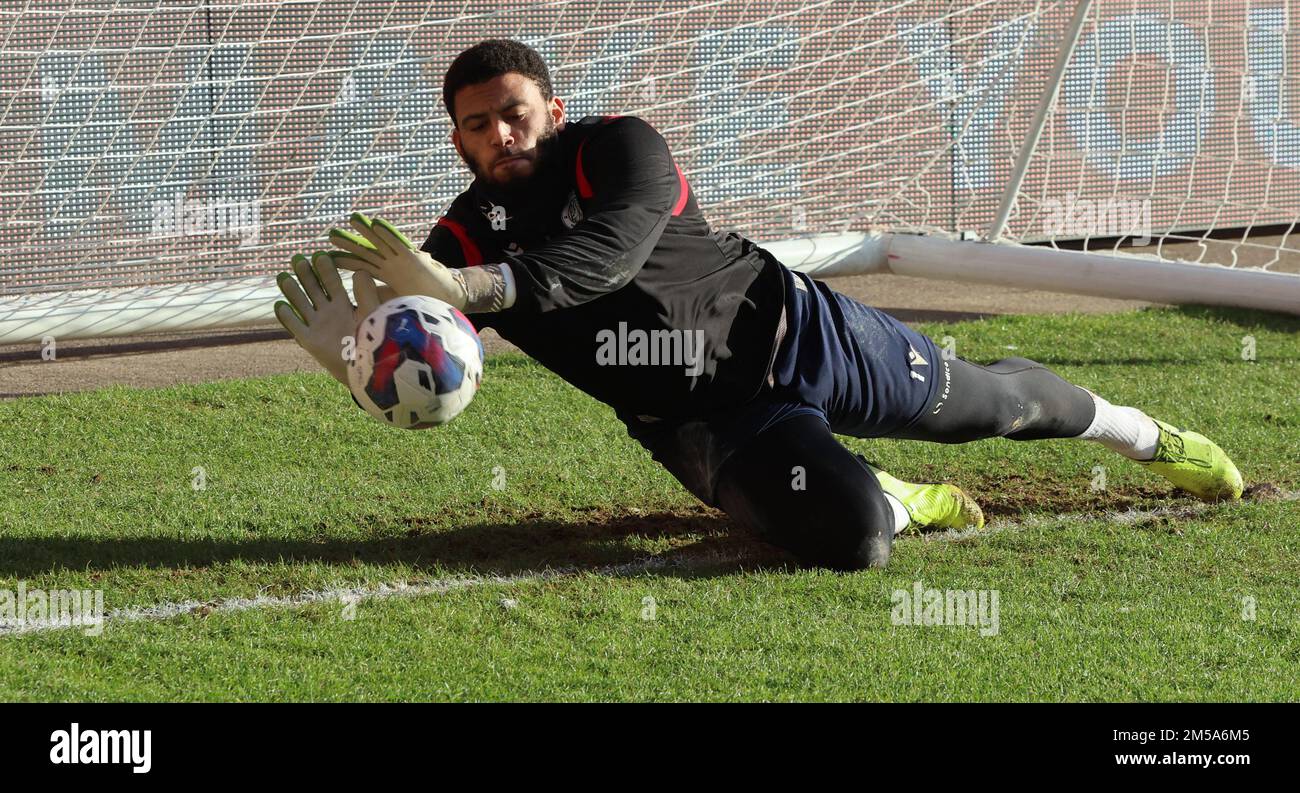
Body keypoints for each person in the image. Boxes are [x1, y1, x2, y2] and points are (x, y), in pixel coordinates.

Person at [274, 39, 1243, 571]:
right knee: (852, 538)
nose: (498, 133)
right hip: (705, 423)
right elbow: (437, 373)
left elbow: (604, 258)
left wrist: (473, 288)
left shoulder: (620, 148)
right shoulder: (457, 243)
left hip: (798, 332)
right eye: (476, 124)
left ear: (554, 111)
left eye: (513, 112)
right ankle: (893, 496)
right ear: (457, 140)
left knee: (996, 407)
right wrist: (356, 359)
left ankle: (1142, 434)